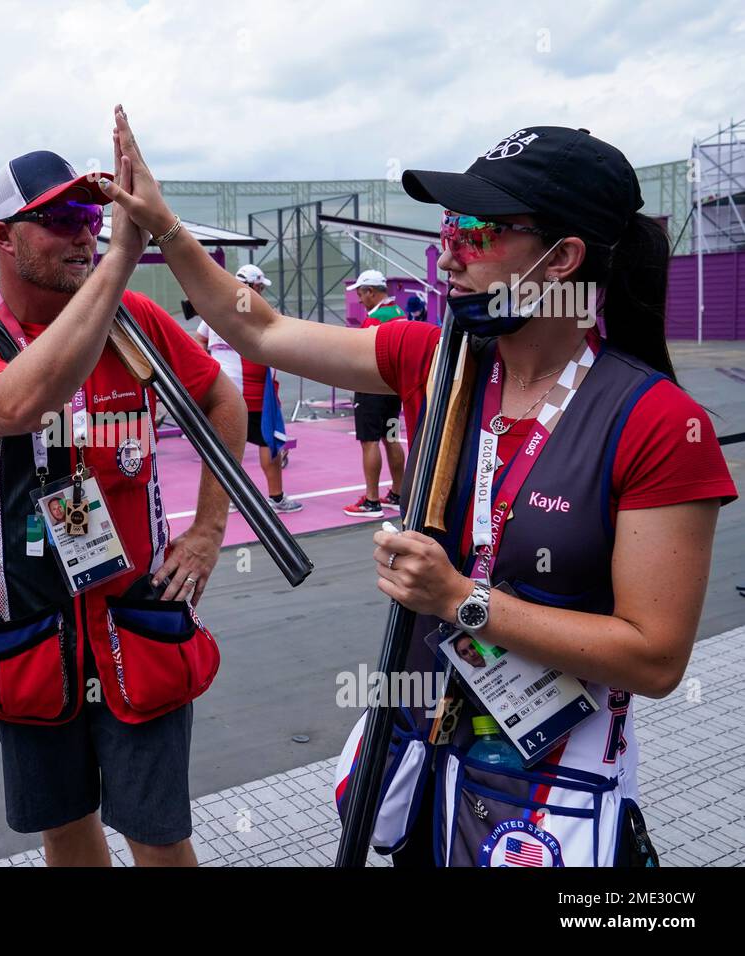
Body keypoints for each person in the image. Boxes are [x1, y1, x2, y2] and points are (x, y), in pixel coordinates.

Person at [99, 110, 736, 867]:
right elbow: (262, 331)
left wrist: (461, 600)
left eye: (479, 230)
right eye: (447, 226)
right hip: (422, 757)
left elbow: (656, 658)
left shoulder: (658, 422)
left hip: (553, 800)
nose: (448, 251)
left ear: (563, 258)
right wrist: (168, 229)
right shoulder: (436, 358)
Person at [0, 144, 245, 867]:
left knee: (160, 840)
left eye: (91, 213)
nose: (84, 230)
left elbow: (221, 396)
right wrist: (120, 262)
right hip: (36, 636)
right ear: (4, 237)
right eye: (58, 216)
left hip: (137, 622)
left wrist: (208, 529)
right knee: (66, 831)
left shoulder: (134, 319)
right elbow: (24, 400)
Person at [192, 263, 302, 514]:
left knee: (228, 446)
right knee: (269, 442)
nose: (261, 291)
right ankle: (276, 498)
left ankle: (230, 498)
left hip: (223, 390)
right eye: (260, 286)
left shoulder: (215, 307)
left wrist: (210, 365)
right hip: (253, 392)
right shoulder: (259, 311)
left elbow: (199, 340)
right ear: (251, 286)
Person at [343, 269, 406, 517]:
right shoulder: (399, 313)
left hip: (372, 390)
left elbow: (361, 357)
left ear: (371, 292)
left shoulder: (375, 320)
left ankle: (371, 502)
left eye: (361, 293)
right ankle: (398, 494)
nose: (359, 299)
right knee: (391, 438)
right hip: (393, 389)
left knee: (369, 441)